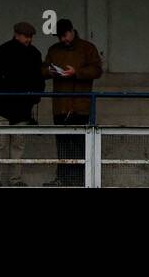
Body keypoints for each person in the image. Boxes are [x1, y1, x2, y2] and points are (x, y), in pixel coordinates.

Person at [42, 17, 103, 186]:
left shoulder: (87, 48)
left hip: (80, 106)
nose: (63, 39)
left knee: (80, 145)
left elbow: (97, 70)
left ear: (71, 31)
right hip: (61, 106)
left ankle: (80, 180)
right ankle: (63, 179)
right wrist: (50, 71)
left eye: (65, 35)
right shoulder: (54, 49)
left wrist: (77, 72)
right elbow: (43, 69)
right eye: (60, 37)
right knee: (62, 146)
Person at [0, 21, 44, 187]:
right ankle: (9, 179)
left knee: (6, 144)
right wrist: (34, 97)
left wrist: (3, 91)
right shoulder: (32, 53)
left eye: (30, 37)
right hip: (16, 107)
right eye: (27, 36)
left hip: (5, 105)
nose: (29, 39)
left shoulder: (4, 50)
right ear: (17, 34)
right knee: (8, 145)